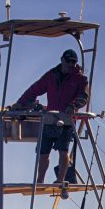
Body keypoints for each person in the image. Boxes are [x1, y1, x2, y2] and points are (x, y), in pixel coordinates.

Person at [9, 48, 89, 186]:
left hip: (67, 121)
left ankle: (61, 180)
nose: (71, 65)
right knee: (43, 152)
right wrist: (20, 103)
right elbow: (34, 89)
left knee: (63, 151)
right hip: (50, 119)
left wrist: (74, 105)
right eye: (69, 61)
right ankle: (40, 181)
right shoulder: (52, 75)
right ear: (62, 60)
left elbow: (84, 96)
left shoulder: (80, 79)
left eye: (74, 62)